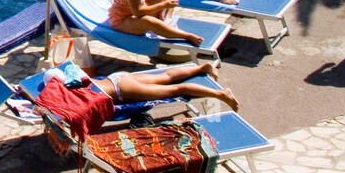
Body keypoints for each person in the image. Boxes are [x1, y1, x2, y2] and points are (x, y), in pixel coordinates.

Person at [88, 60, 240, 113]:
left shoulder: (70, 98)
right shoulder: (67, 85)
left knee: (177, 90)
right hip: (117, 77)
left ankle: (220, 94)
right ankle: (202, 68)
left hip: (122, 90)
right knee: (167, 77)